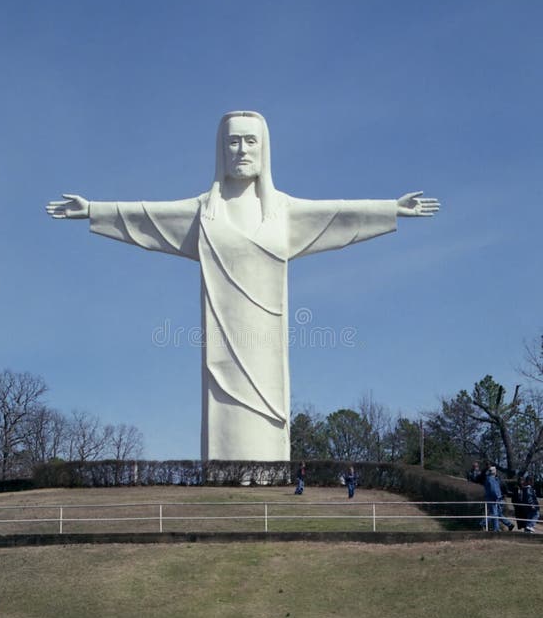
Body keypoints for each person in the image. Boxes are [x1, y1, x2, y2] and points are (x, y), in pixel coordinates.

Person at [47, 111, 440, 461]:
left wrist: (392, 209)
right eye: (232, 141)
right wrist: (92, 211)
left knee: (270, 415)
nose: (241, 149)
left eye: (250, 140)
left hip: (268, 343)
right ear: (220, 149)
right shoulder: (203, 212)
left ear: (264, 149)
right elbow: (147, 217)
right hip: (221, 343)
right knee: (222, 410)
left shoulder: (282, 211)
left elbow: (338, 214)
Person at [483, 466, 514, 532]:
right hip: (494, 499)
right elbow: (493, 490)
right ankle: (492, 527)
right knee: (494, 514)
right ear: (494, 471)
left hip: (495, 499)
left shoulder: (493, 478)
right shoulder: (491, 479)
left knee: (497, 513)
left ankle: (509, 525)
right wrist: (497, 497)